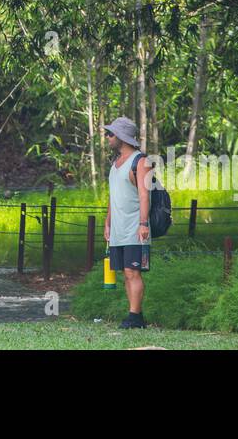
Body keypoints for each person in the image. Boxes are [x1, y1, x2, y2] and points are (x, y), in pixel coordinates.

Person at [103, 116, 151, 329]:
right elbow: (113, 196)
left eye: (110, 134)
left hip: (134, 226)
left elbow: (144, 194)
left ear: (122, 137)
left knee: (134, 271)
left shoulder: (140, 161)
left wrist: (143, 223)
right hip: (118, 228)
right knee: (125, 272)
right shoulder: (115, 164)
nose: (107, 137)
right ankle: (134, 315)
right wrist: (107, 222)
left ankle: (135, 315)